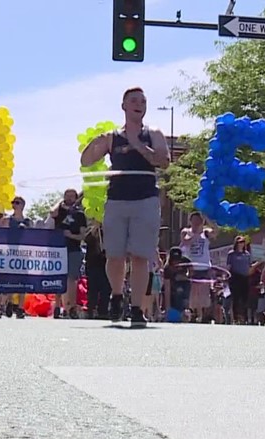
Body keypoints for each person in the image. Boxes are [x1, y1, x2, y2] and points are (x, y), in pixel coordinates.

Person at [80, 87, 170, 327]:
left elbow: (163, 161)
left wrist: (138, 144)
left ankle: (138, 307)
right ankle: (117, 295)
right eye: (133, 101)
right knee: (115, 255)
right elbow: (86, 161)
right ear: (124, 106)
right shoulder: (112, 136)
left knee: (141, 256)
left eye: (143, 101)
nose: (138, 104)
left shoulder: (154, 133)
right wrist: (95, 144)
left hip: (145, 199)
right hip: (117, 199)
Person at [50, 190, 88, 318]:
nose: (69, 198)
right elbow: (52, 212)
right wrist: (60, 203)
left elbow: (82, 235)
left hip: (73, 250)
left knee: (72, 279)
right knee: (58, 278)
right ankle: (57, 306)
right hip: (59, 250)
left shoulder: (80, 214)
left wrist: (71, 235)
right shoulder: (59, 211)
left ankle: (71, 307)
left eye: (72, 196)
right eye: (67, 195)